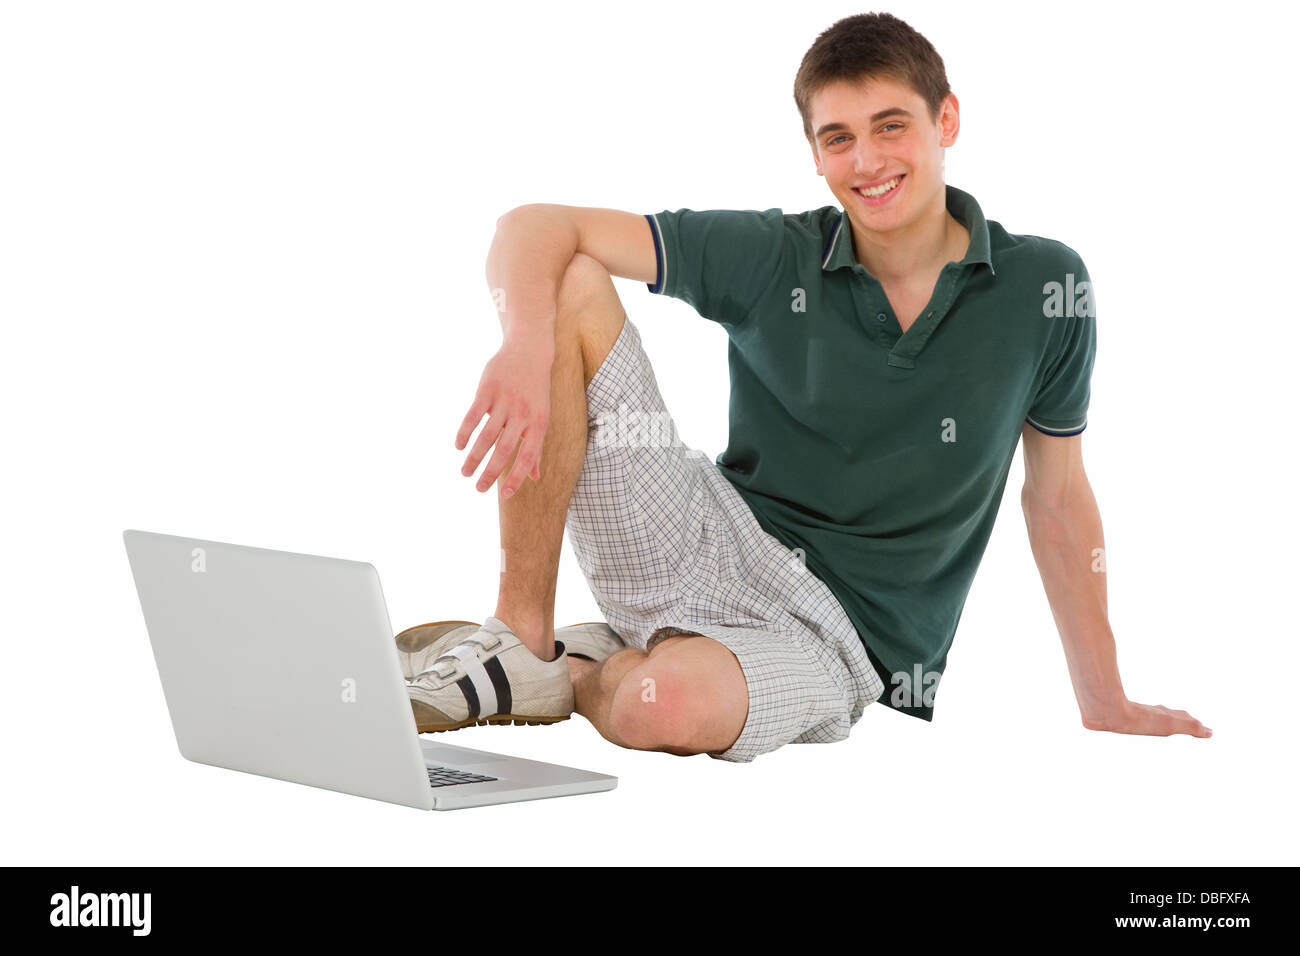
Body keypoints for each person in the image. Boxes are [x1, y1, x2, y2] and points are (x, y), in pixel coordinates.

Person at [399, 12, 1212, 763]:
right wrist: (523, 340)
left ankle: (579, 665)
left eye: (891, 126)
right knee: (568, 278)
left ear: (947, 122)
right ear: (816, 152)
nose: (866, 162)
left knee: (665, 706)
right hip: (704, 531)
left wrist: (1104, 699)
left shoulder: (1046, 284)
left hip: (840, 636)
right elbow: (534, 224)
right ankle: (521, 638)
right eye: (838, 138)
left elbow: (1059, 498)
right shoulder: (775, 253)